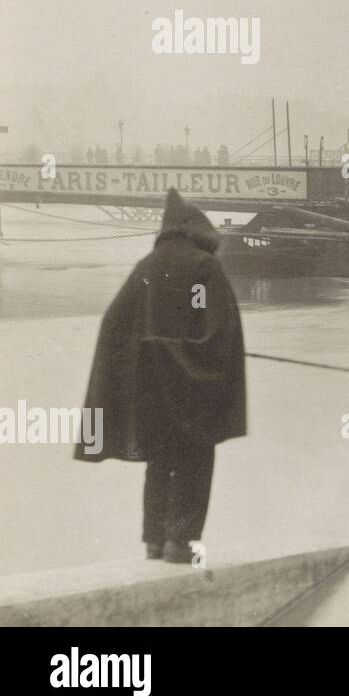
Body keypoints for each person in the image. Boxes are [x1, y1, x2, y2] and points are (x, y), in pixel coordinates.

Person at [75, 189, 246, 564]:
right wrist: (188, 351)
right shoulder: (203, 269)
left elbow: (113, 323)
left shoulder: (146, 269)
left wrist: (142, 352)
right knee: (194, 457)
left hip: (148, 388)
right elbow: (208, 320)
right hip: (188, 384)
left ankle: (154, 541)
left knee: (159, 460)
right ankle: (179, 542)